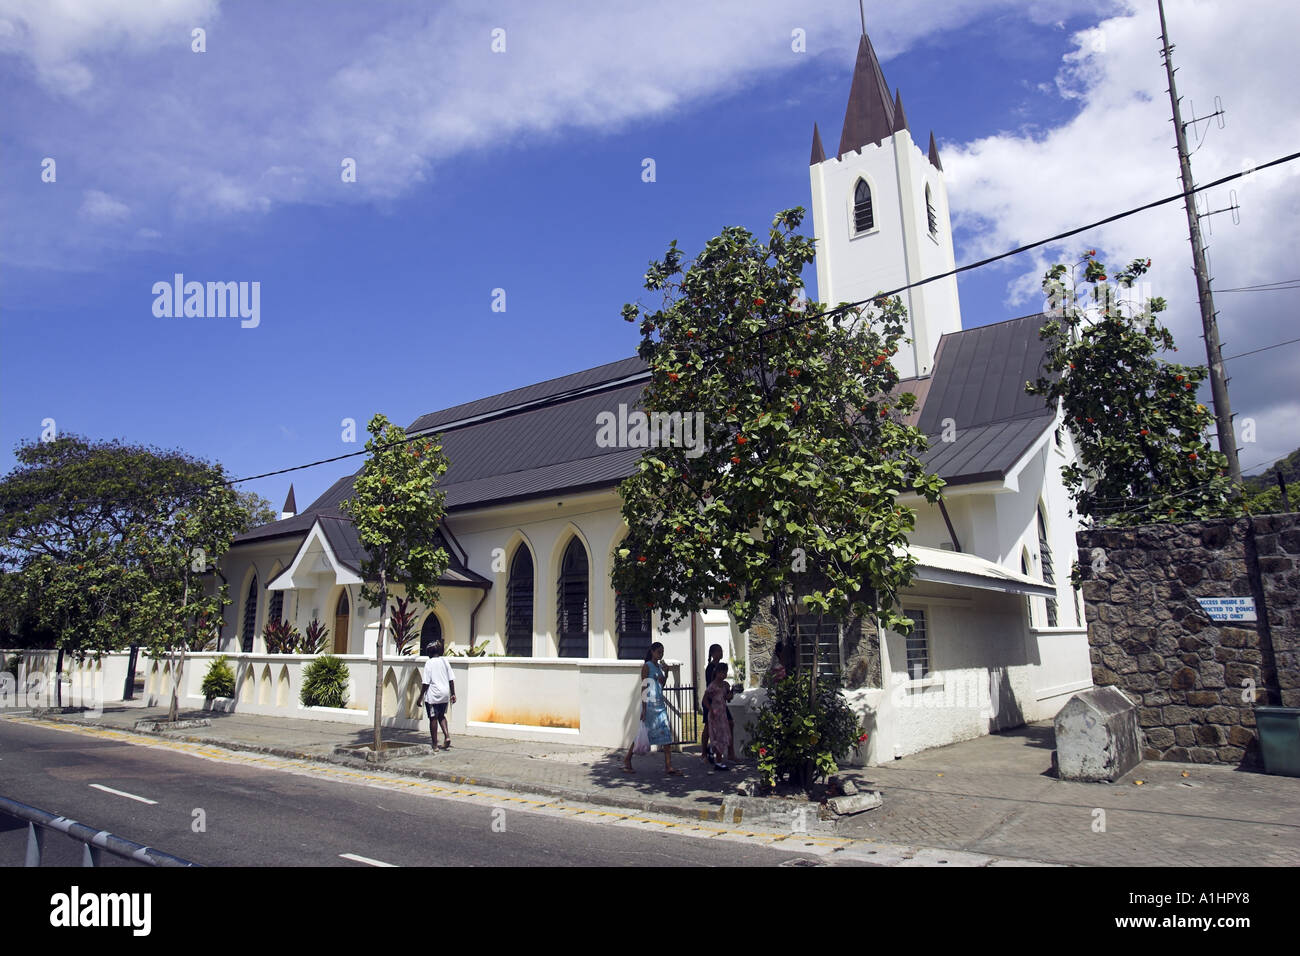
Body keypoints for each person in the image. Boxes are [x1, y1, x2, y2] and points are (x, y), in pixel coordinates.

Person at [623, 642, 682, 776]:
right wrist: (644, 709)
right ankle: (628, 758)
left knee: (666, 734)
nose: (661, 654)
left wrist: (666, 673)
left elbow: (661, 685)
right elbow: (644, 686)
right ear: (652, 651)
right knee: (642, 734)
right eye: (659, 652)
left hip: (660, 704)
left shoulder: (659, 667)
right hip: (650, 705)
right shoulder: (647, 666)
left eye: (663, 652)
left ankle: (668, 766)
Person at [700, 644, 736, 764]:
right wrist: (710, 708)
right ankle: (704, 753)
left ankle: (730, 752)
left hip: (721, 703)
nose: (721, 653)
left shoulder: (721, 669)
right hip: (712, 703)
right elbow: (711, 687)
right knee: (708, 727)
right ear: (713, 653)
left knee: (729, 724)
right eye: (719, 651)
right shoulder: (711, 668)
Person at [419, 640, 456, 750]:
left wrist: (420, 697)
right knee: (441, 716)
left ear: (430, 653)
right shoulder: (445, 661)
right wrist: (453, 693)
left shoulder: (429, 663)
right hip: (445, 694)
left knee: (433, 718)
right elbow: (451, 680)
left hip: (433, 695)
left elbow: (425, 683)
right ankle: (447, 736)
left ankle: (435, 744)